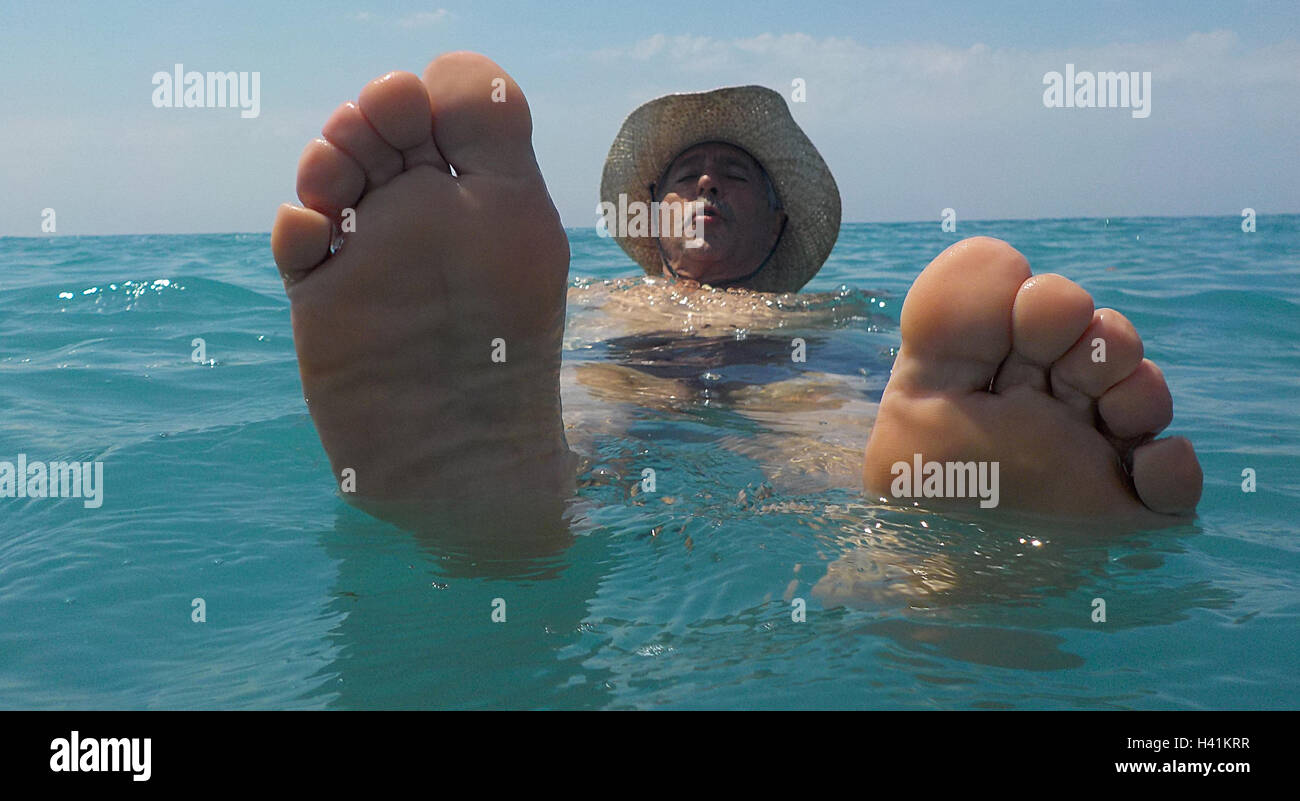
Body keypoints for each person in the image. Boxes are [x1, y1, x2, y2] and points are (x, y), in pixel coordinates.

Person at [270, 51, 1202, 544]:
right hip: (618, 366)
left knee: (841, 432)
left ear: (776, 223)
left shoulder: (826, 316)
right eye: (686, 176)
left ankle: (927, 552)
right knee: (571, 406)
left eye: (733, 177)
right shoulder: (591, 296)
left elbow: (881, 378)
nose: (708, 187)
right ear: (652, 217)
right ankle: (496, 482)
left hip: (789, 372)